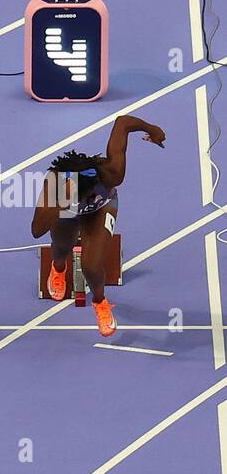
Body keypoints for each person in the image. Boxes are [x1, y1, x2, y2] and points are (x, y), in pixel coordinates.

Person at [31, 115, 165, 337]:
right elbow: (36, 231)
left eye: (91, 192)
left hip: (102, 208)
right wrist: (59, 204)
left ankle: (100, 302)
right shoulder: (53, 187)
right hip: (66, 211)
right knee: (62, 245)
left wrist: (152, 128)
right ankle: (58, 267)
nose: (88, 196)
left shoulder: (111, 172)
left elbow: (122, 123)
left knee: (92, 265)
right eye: (84, 196)